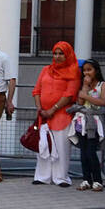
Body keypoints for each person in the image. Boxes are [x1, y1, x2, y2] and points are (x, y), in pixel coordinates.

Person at [32, 41, 82, 187]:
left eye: (61, 53)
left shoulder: (74, 71)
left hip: (62, 114)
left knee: (61, 147)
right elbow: (36, 90)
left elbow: (69, 94)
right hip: (44, 115)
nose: (58, 56)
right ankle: (42, 176)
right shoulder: (46, 70)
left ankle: (61, 178)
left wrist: (52, 110)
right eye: (55, 53)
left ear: (68, 55)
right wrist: (40, 108)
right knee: (43, 145)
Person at [71, 59, 105, 191]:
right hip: (82, 121)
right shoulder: (83, 85)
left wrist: (86, 96)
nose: (87, 72)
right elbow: (80, 102)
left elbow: (103, 101)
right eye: (85, 70)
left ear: (96, 70)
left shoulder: (103, 85)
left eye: (89, 69)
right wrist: (85, 87)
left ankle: (97, 180)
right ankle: (86, 179)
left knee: (91, 152)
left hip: (95, 122)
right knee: (83, 152)